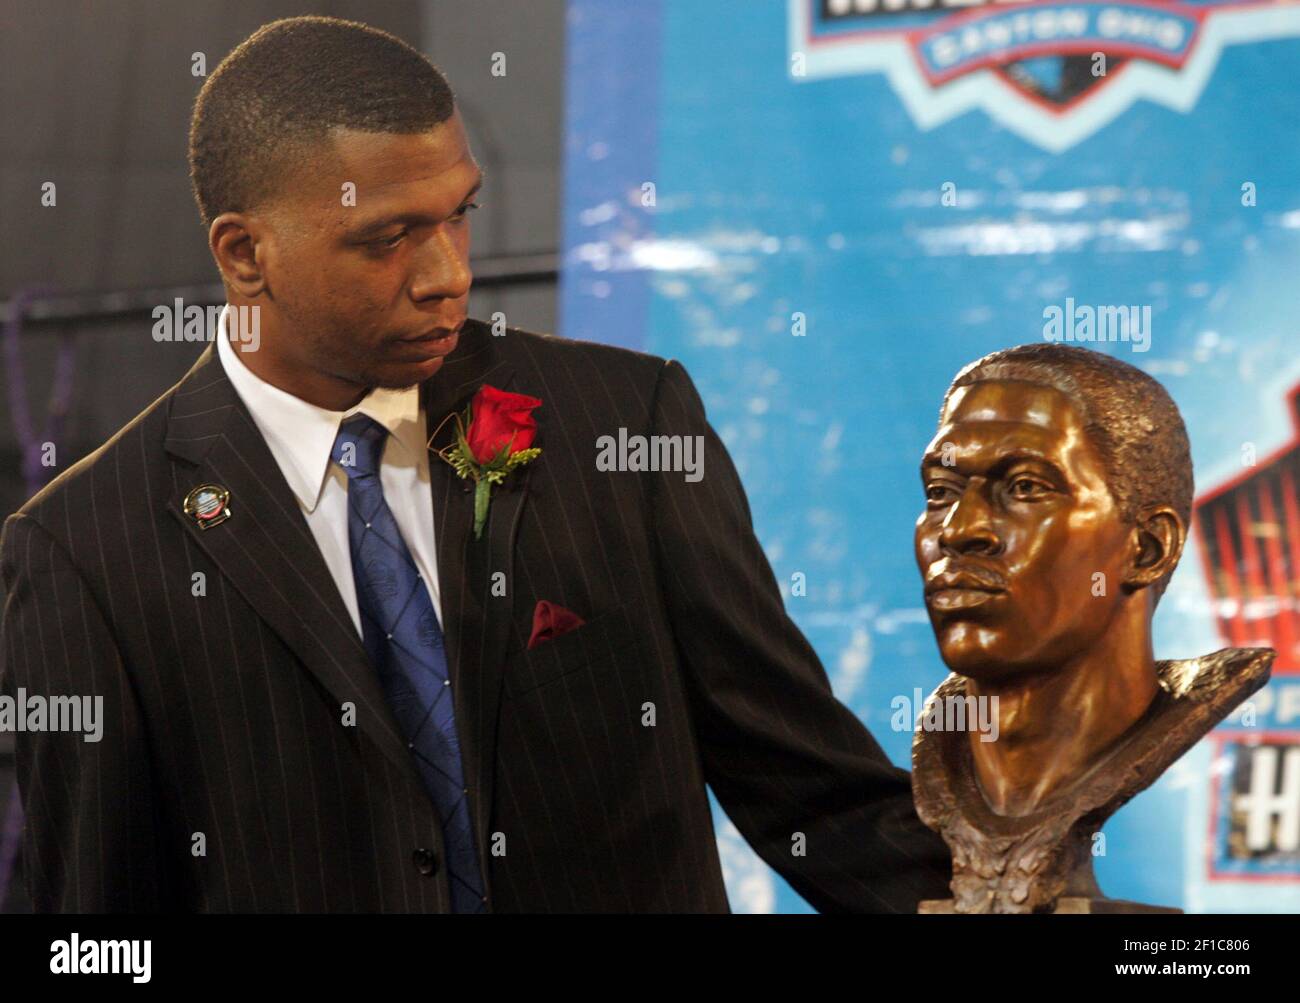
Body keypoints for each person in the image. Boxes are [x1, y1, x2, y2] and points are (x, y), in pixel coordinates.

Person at [0, 15, 948, 913]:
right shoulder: (85, 549)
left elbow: (811, 792)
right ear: (246, 253)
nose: (449, 271)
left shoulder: (625, 426)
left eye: (458, 216)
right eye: (389, 237)